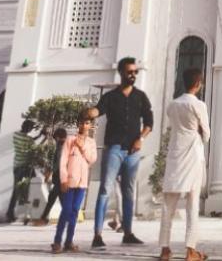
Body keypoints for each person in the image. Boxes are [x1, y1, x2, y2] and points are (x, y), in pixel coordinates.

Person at [89, 57, 154, 249]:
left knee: (128, 193)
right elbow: (98, 111)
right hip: (114, 149)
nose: (133, 75)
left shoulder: (141, 96)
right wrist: (89, 112)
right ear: (121, 73)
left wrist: (140, 139)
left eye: (135, 72)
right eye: (129, 72)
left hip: (133, 151)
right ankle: (97, 235)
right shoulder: (110, 97)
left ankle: (128, 233)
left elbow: (149, 122)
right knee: (105, 191)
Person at [158, 68, 211, 261]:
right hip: (193, 157)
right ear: (198, 84)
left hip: (175, 155)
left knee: (168, 205)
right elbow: (206, 135)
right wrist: (196, 129)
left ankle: (165, 249)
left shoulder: (173, 105)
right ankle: (190, 251)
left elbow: (173, 126)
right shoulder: (199, 105)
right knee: (192, 204)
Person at [52, 110, 98, 253]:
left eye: (86, 123)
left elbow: (92, 159)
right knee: (66, 210)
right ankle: (57, 241)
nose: (83, 125)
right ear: (77, 124)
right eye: (81, 123)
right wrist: (63, 180)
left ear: (90, 125)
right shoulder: (69, 140)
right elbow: (63, 161)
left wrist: (81, 146)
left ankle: (69, 241)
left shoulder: (91, 142)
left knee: (74, 211)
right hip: (69, 182)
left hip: (82, 183)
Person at [35, 128, 68, 226]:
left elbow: (58, 163)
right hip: (62, 175)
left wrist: (50, 172)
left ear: (58, 137)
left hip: (60, 175)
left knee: (53, 197)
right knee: (58, 198)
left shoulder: (61, 147)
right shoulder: (64, 145)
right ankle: (64, 219)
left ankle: (44, 218)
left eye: (55, 138)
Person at [6, 119, 36, 222]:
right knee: (28, 191)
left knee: (16, 190)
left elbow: (28, 140)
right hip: (25, 167)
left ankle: (10, 213)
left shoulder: (15, 135)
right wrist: (42, 136)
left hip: (16, 166)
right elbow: (33, 148)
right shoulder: (29, 140)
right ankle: (25, 215)